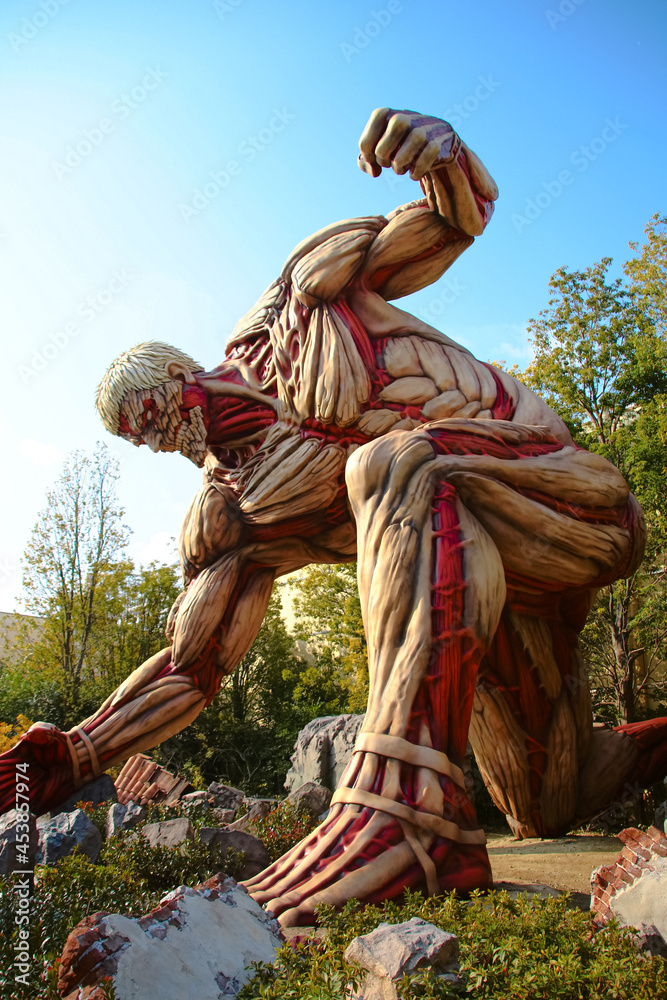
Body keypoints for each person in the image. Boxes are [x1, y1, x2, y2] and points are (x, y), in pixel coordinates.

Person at [2, 109, 664, 927]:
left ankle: (404, 815)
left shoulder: (301, 308)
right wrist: (75, 752)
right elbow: (191, 663)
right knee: (550, 797)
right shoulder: (230, 514)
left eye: (143, 413)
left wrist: (441, 156)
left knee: (389, 461)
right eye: (131, 438)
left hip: (567, 501)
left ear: (175, 374)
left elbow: (449, 222)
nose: (147, 440)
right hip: (478, 590)